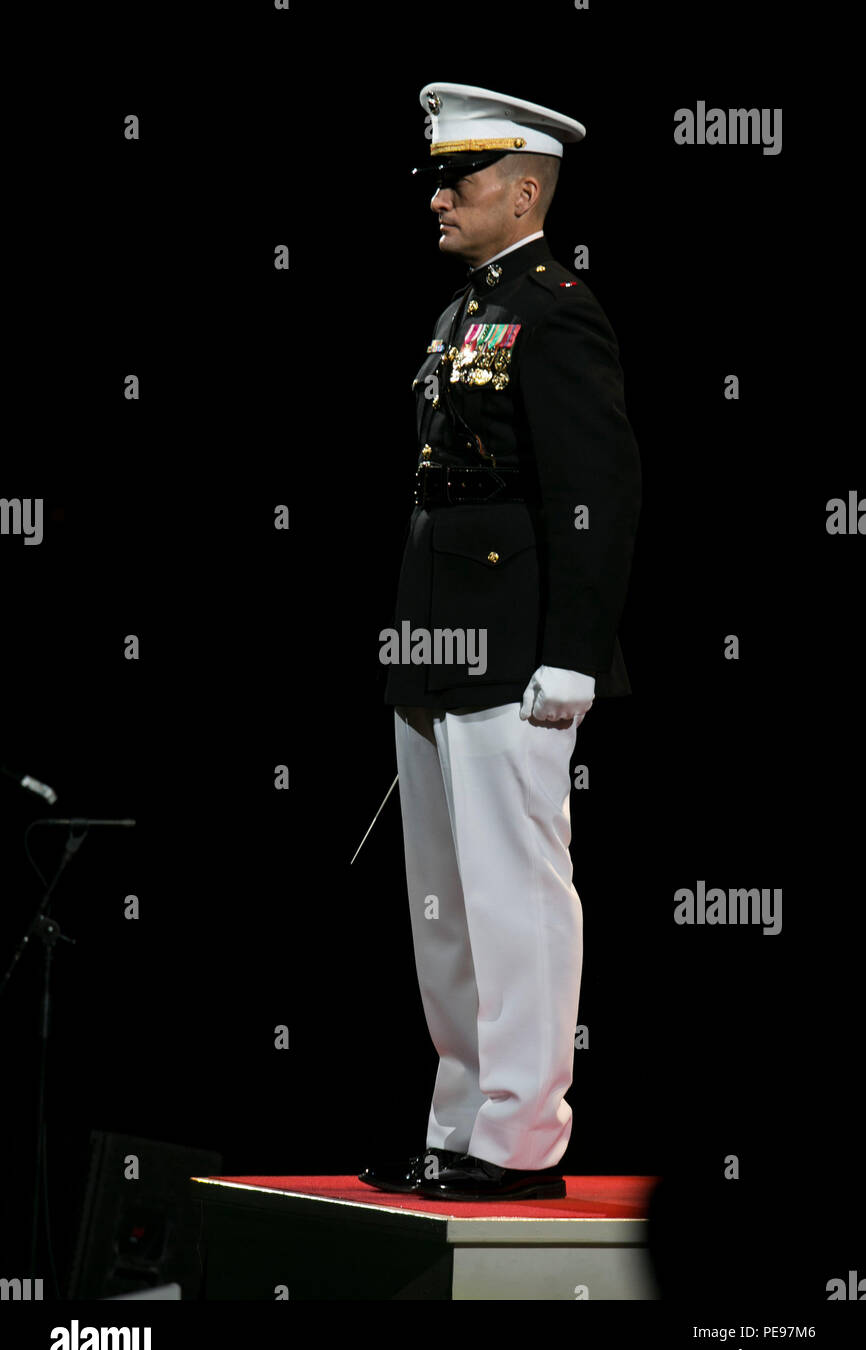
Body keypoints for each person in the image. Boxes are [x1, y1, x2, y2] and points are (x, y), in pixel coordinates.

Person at [360, 82, 642, 1201]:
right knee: (445, 902)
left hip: (516, 653)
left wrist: (572, 652)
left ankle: (517, 1141)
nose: (435, 195)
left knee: (516, 896)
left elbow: (600, 492)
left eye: (456, 178)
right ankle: (459, 1120)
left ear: (522, 189)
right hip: (435, 647)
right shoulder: (467, 309)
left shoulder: (557, 307)